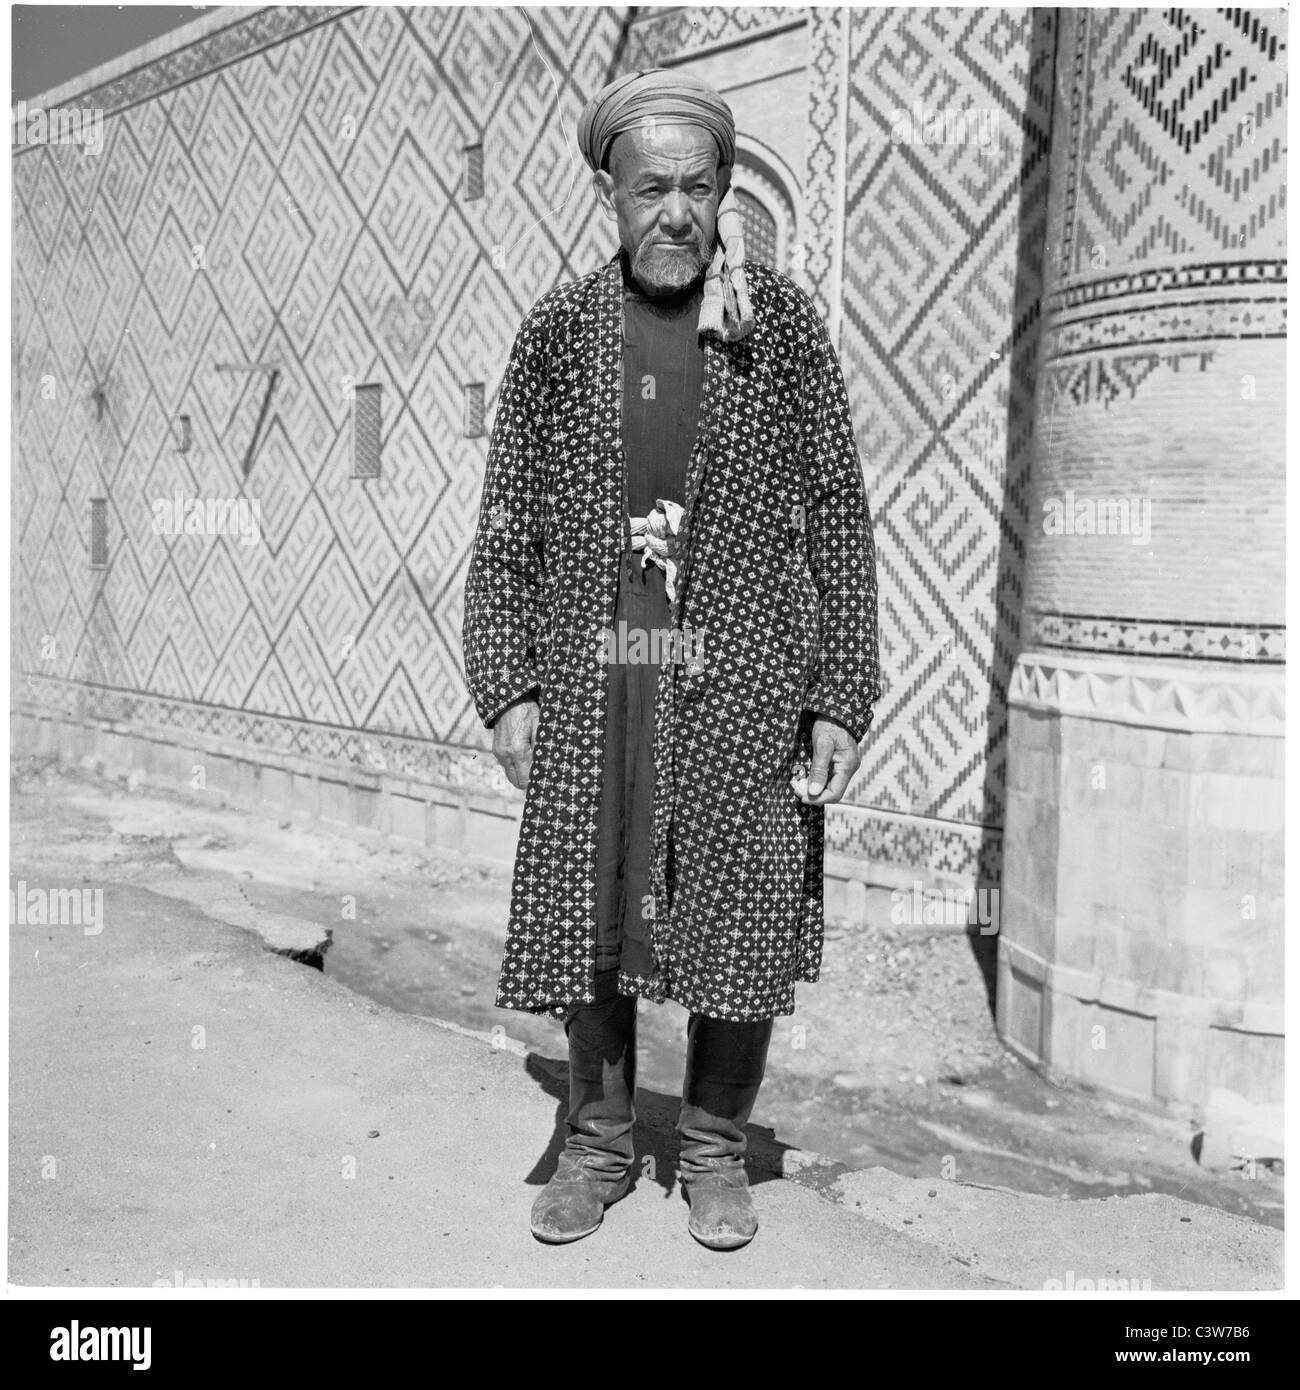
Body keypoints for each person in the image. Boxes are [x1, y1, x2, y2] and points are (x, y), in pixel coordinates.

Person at [462, 69, 880, 1250]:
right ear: (612, 191)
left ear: (725, 192)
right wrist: (508, 682)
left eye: (700, 188)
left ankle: (709, 1148)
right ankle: (595, 1143)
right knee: (589, 906)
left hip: (745, 680)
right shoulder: (559, 331)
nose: (678, 212)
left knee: (738, 910)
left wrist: (839, 694)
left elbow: (839, 514)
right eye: (653, 188)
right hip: (599, 681)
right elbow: (508, 526)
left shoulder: (780, 328)